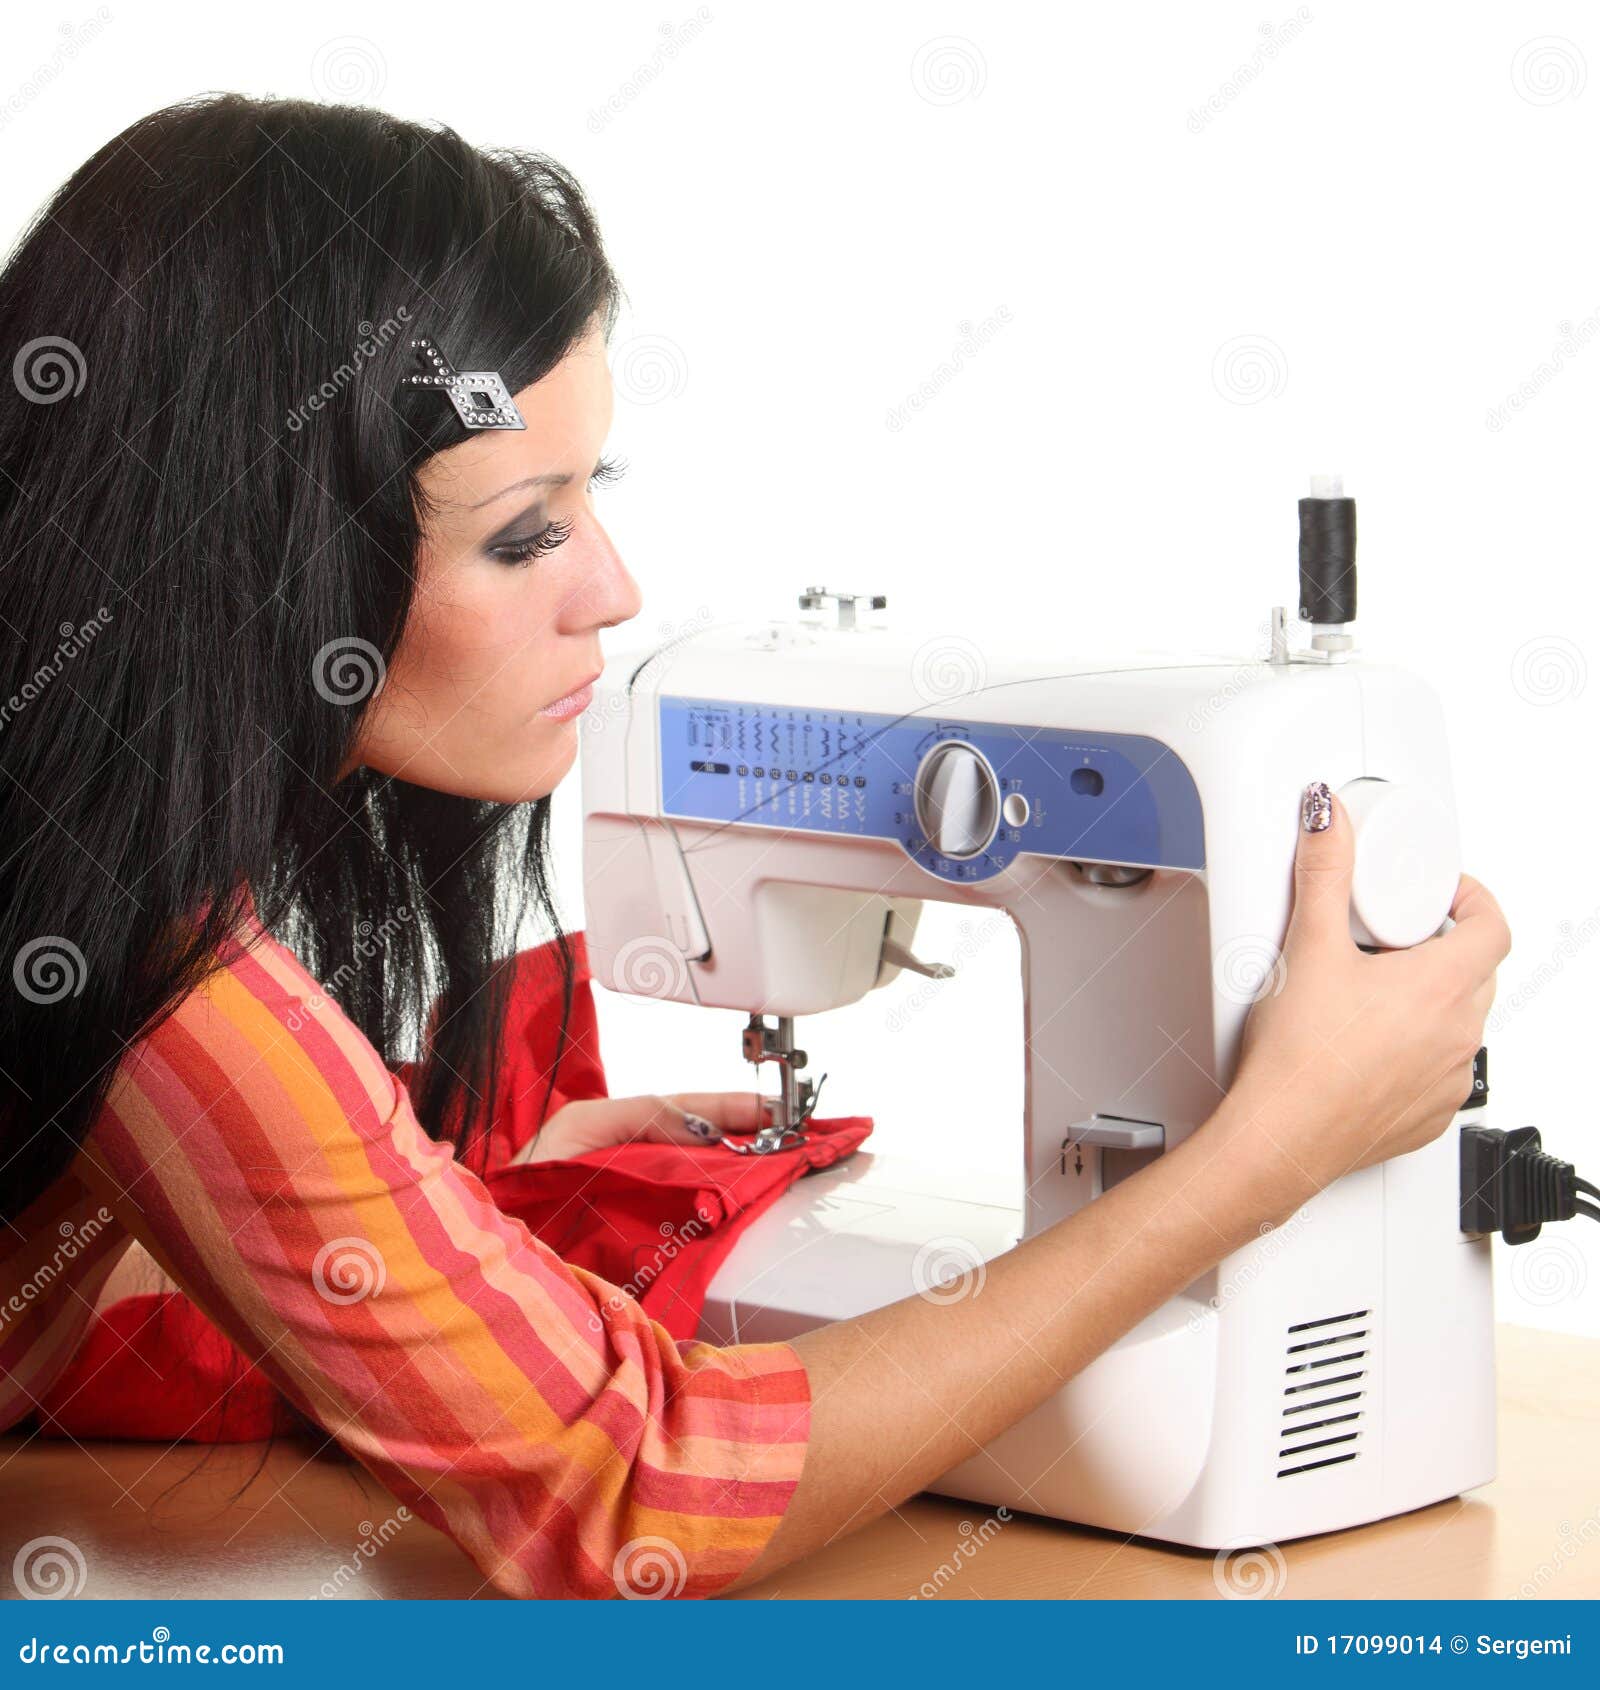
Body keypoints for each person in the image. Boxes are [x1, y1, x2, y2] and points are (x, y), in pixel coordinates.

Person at [0, 95, 1509, 1599]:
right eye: (524, 535)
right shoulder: (168, 969)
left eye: (599, 501)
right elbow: (634, 1497)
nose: (612, 587)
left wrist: (422, 1195)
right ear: (257, 555)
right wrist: (1266, 1152)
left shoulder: (75, 856)